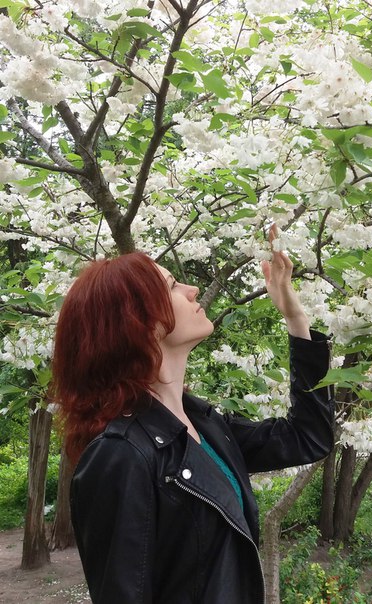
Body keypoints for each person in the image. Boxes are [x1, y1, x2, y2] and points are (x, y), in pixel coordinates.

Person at [52, 225, 334, 604]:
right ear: (139, 322)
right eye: (172, 286)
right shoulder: (121, 455)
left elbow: (307, 438)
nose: (193, 289)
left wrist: (296, 320)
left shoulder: (203, 424)